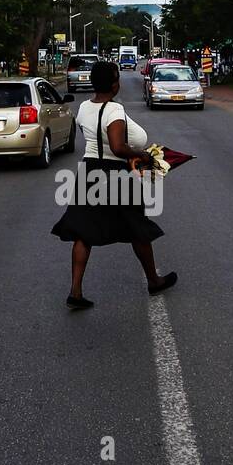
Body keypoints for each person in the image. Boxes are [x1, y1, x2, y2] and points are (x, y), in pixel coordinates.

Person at [51, 59, 177, 310]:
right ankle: (153, 280)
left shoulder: (85, 107)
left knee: (83, 231)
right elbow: (118, 147)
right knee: (136, 227)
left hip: (89, 171)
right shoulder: (114, 110)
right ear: (113, 84)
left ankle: (75, 291)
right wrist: (142, 155)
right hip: (116, 173)